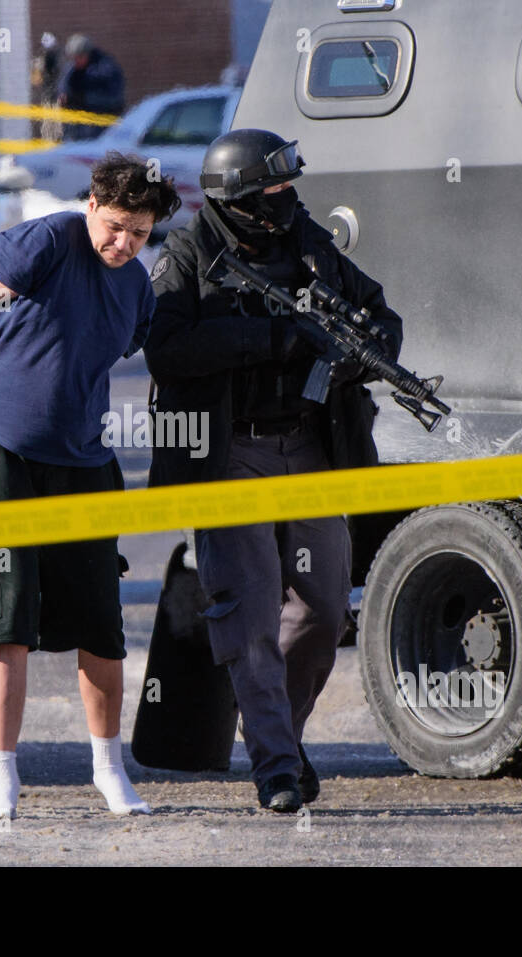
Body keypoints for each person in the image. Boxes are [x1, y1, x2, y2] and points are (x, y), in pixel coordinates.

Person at [143, 129, 403, 811]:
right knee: (250, 609)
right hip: (231, 452)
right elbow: (166, 348)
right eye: (272, 191)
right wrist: (272, 339)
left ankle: (277, 732)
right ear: (237, 201)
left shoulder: (308, 243)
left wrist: (360, 350)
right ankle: (276, 764)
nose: (287, 200)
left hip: (311, 446)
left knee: (322, 610)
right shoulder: (188, 253)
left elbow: (380, 313)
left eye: (288, 187)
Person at [0, 153, 180, 819]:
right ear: (93, 204)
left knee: (100, 617)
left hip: (82, 457)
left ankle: (108, 769)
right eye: (119, 225)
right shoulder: (48, 238)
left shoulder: (137, 289)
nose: (125, 242)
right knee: (3, 613)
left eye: (142, 233)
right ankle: (0, 780)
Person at [57, 34, 125, 141]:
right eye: (73, 58)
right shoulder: (71, 68)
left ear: (87, 54)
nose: (75, 62)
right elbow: (63, 84)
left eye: (78, 58)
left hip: (100, 129)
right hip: (75, 129)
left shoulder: (107, 68)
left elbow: (115, 99)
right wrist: (64, 95)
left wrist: (84, 98)